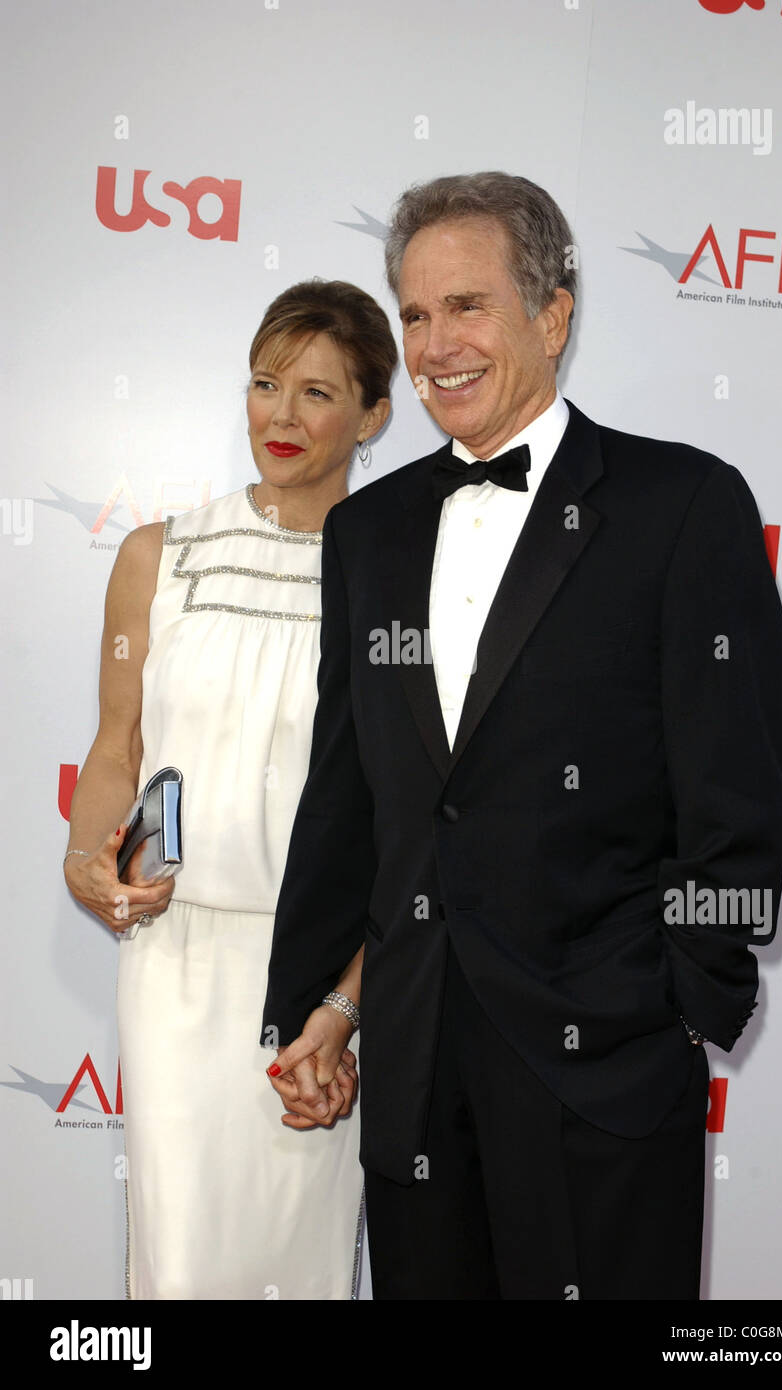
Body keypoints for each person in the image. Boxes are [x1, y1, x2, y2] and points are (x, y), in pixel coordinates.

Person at [263, 173, 782, 1300]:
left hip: (601, 1064)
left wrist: (678, 1000)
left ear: (552, 314)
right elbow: (354, 791)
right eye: (411, 313)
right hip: (413, 1073)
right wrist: (325, 999)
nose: (433, 344)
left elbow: (733, 788)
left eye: (467, 306)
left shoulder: (681, 504)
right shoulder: (369, 530)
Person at [64, 279, 395, 1299]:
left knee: (296, 1262)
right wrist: (88, 861)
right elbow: (117, 748)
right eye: (264, 384)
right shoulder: (157, 555)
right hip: (175, 962)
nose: (282, 417)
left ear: (375, 414)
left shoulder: (401, 579)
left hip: (317, 972)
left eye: (317, 392)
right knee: (181, 1262)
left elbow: (407, 818)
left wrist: (347, 998)